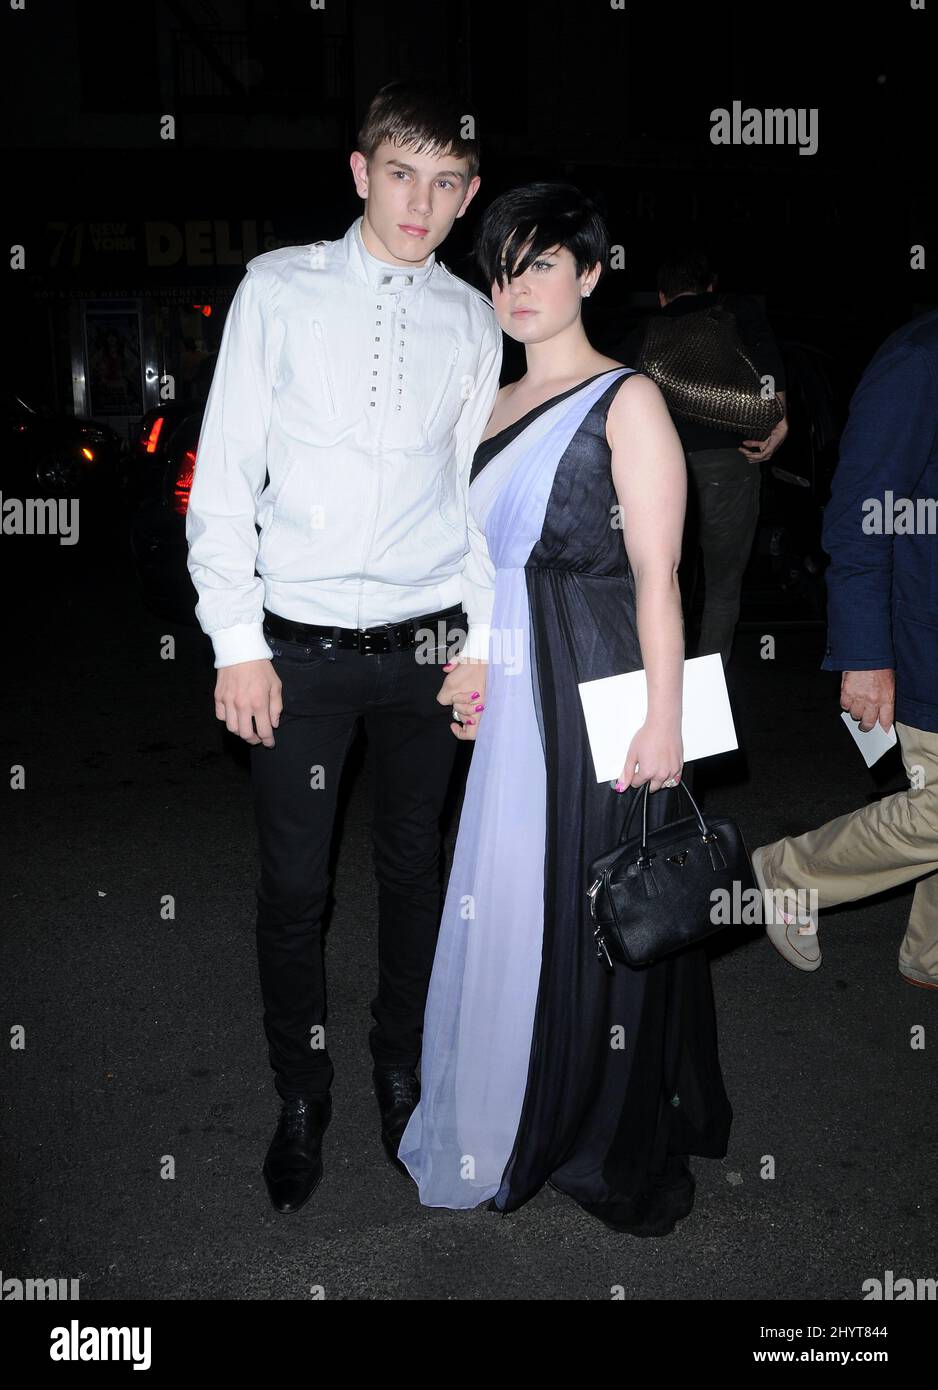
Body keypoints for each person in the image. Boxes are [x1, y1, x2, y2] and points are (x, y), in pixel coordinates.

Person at [184, 79, 503, 1213]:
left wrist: (476, 644)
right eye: (401, 173)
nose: (422, 201)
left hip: (422, 648)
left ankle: (398, 1065)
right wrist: (234, 639)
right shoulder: (276, 289)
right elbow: (223, 480)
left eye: (448, 181)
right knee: (292, 888)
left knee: (417, 871)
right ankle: (301, 1090)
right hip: (299, 653)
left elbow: (473, 501)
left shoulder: (474, 320)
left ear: (467, 197)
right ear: (361, 171)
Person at [398, 184, 733, 1236]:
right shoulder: (490, 404)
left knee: (597, 906)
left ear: (590, 273)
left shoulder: (627, 398)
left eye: (541, 262)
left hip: (600, 685)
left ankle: (596, 1118)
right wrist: (472, 666)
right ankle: (507, 1101)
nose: (516, 286)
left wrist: (664, 721)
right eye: (500, 266)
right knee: (509, 899)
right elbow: (484, 569)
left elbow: (658, 576)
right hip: (517, 692)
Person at [752, 309, 938, 988]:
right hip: (924, 635)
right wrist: (863, 651)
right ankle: (788, 873)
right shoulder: (922, 359)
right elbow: (862, 510)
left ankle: (929, 953)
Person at [618, 250, 789, 666]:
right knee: (724, 588)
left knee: (658, 580)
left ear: (662, 296)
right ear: (711, 288)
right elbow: (768, 365)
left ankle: (662, 680)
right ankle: (709, 692)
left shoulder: (643, 333)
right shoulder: (734, 316)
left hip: (658, 472)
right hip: (728, 464)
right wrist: (779, 420)